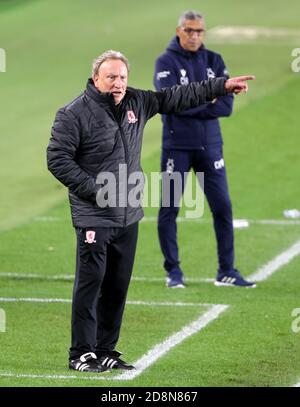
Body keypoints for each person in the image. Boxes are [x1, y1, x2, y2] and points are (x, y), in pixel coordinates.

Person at [47, 49, 254, 373]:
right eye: (111, 76)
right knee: (91, 285)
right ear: (96, 78)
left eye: (122, 77)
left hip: (128, 214)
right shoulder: (73, 114)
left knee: (117, 285)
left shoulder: (136, 102)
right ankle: (80, 354)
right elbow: (57, 159)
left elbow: (176, 97)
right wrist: (95, 190)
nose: (118, 83)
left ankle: (105, 350)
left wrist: (221, 87)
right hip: (94, 216)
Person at [154, 11, 256, 289]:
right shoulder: (166, 62)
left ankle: (226, 271)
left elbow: (226, 106)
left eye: (199, 31)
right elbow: (171, 103)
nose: (195, 36)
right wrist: (209, 100)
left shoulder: (215, 60)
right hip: (177, 147)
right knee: (169, 209)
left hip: (211, 148)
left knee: (223, 207)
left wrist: (195, 104)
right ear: (179, 31)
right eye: (189, 30)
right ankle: (173, 272)